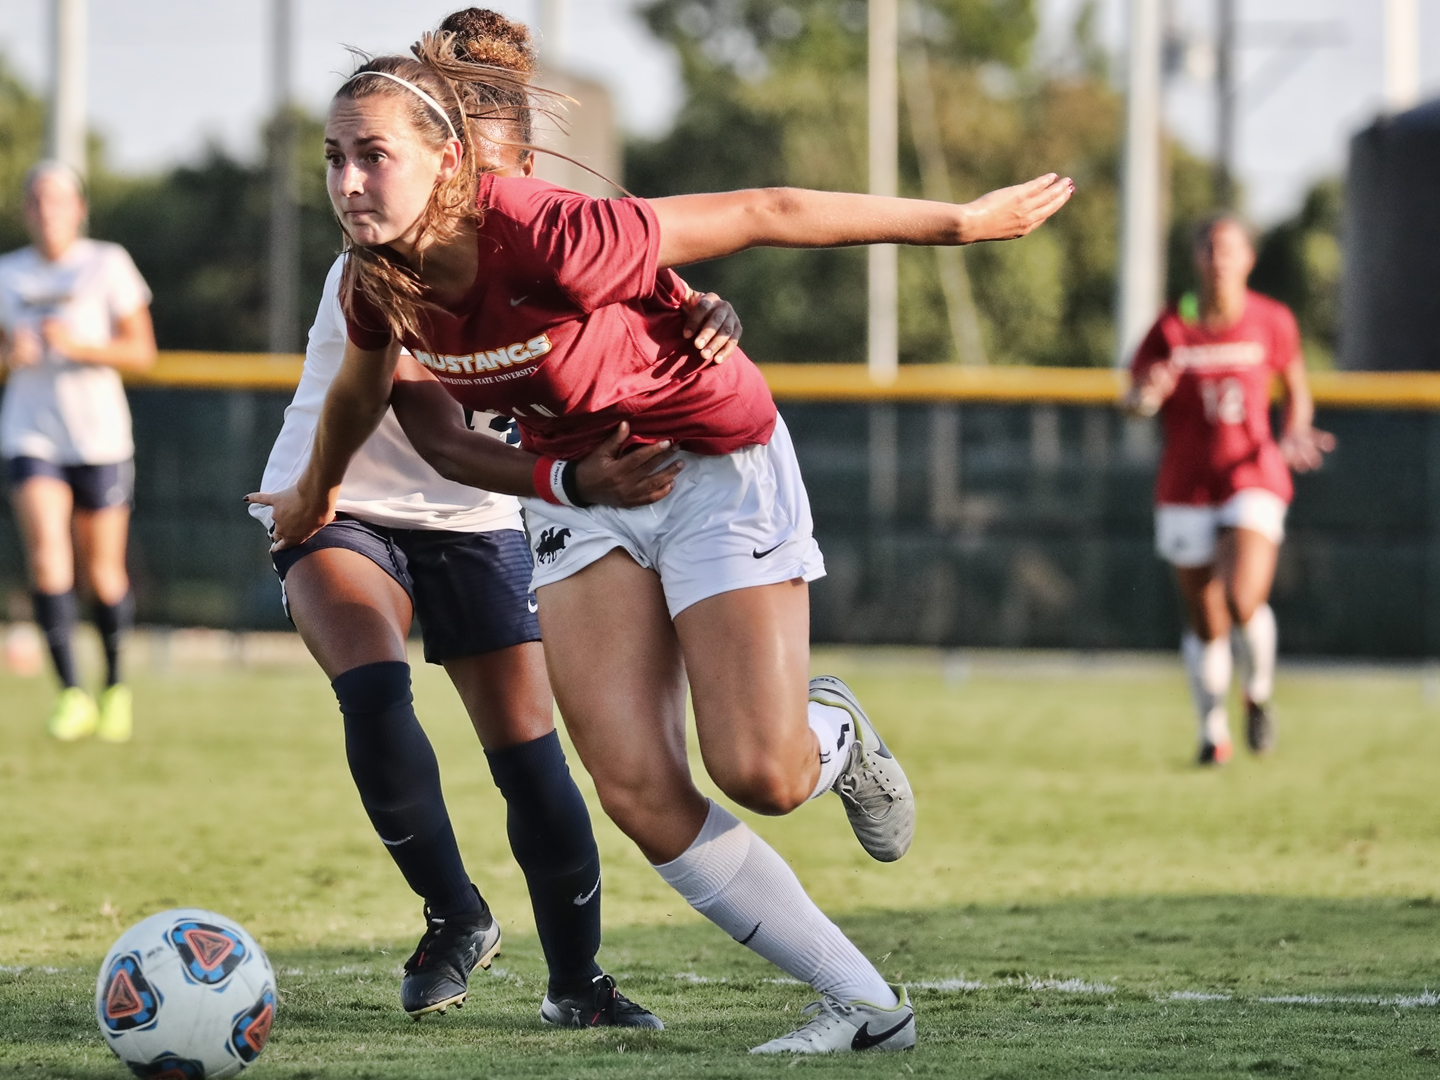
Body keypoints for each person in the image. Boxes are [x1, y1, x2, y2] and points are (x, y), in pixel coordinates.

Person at [248, 28, 1072, 1055]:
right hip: (582, 495)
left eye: (373, 155)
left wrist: (955, 222)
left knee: (760, 773)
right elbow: (370, 403)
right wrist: (317, 494)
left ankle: (838, 738)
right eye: (334, 157)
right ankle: (864, 1005)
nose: (349, 181)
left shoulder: (546, 231)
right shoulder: (378, 280)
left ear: (446, 161)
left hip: (708, 463)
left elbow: (760, 212)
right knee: (635, 784)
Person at [248, 9, 743, 1028]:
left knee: (529, 757)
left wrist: (702, 316)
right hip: (344, 500)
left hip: (480, 519)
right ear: (449, 164)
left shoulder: (548, 236)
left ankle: (578, 985)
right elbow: (439, 436)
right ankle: (454, 913)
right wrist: (572, 486)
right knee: (375, 686)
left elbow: (647, 306)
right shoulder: (382, 264)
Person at [1126, 213, 1334, 765]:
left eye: (1229, 250)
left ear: (1248, 259)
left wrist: (1293, 430)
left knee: (1243, 597)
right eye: (1210, 250)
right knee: (1206, 617)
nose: (1219, 260)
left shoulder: (1271, 319)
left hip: (1252, 472)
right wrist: (1147, 395)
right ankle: (1211, 730)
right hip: (1187, 484)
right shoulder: (1173, 326)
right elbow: (1133, 398)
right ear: (1197, 259)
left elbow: (1296, 388)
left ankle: (1258, 693)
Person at [0, 161, 156, 742]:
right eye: (35, 201)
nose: (46, 211)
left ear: (78, 210)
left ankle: (114, 686)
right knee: (48, 558)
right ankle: (70, 694)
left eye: (57, 201)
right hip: (31, 433)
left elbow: (142, 352)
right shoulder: (5, 272)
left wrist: (79, 346)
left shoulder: (107, 264)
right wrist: (14, 354)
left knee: (103, 573)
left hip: (99, 436)